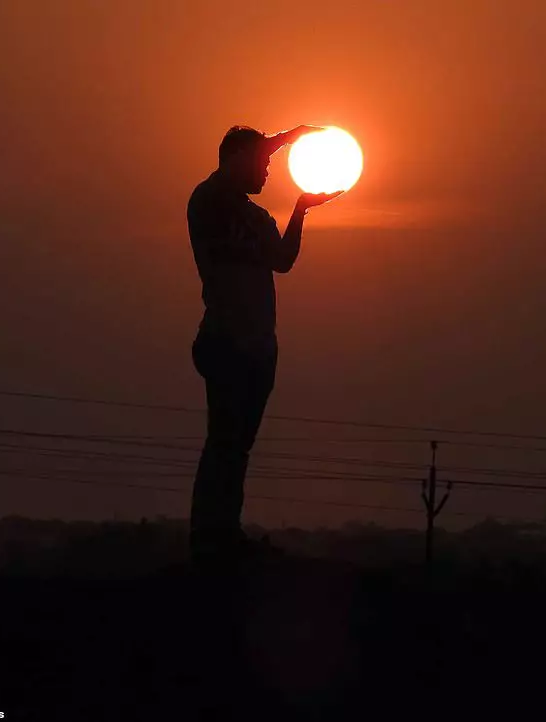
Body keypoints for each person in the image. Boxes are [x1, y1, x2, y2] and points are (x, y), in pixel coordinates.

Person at [187, 124, 342, 568]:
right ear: (239, 160)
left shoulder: (257, 218)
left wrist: (301, 209)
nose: (268, 169)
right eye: (264, 161)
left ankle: (224, 534)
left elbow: (283, 261)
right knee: (223, 444)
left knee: (236, 448)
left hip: (258, 349)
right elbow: (231, 172)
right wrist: (285, 136)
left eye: (270, 161)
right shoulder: (209, 202)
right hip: (226, 341)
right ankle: (208, 539)